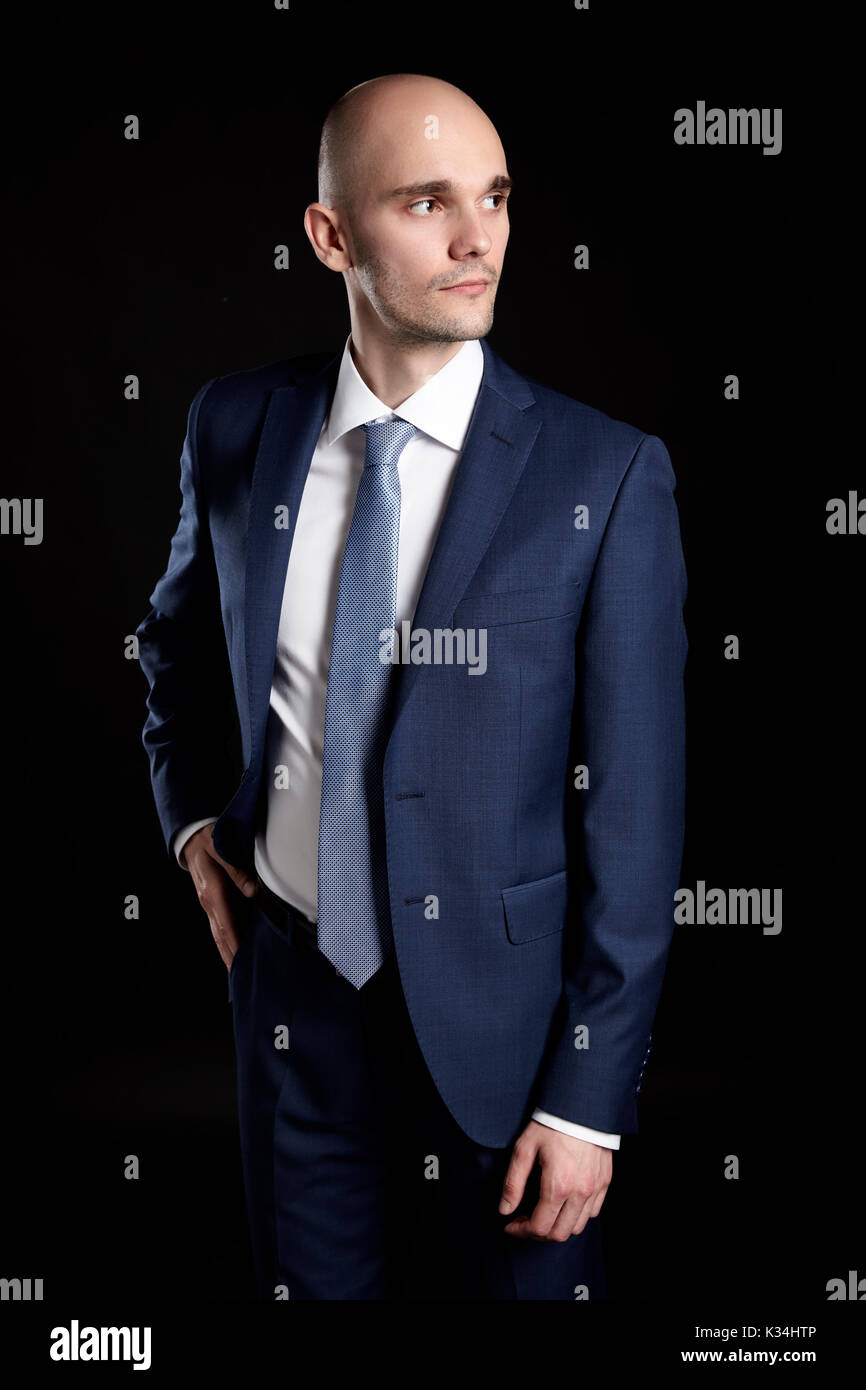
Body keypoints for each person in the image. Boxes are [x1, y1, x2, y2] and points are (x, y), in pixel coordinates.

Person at [136, 72, 687, 1301]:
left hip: (509, 1050)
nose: (476, 237)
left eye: (492, 198)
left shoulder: (603, 474)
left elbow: (635, 821)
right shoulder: (235, 427)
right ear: (332, 236)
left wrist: (589, 1100)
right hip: (294, 1021)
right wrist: (191, 832)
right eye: (427, 201)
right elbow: (167, 647)